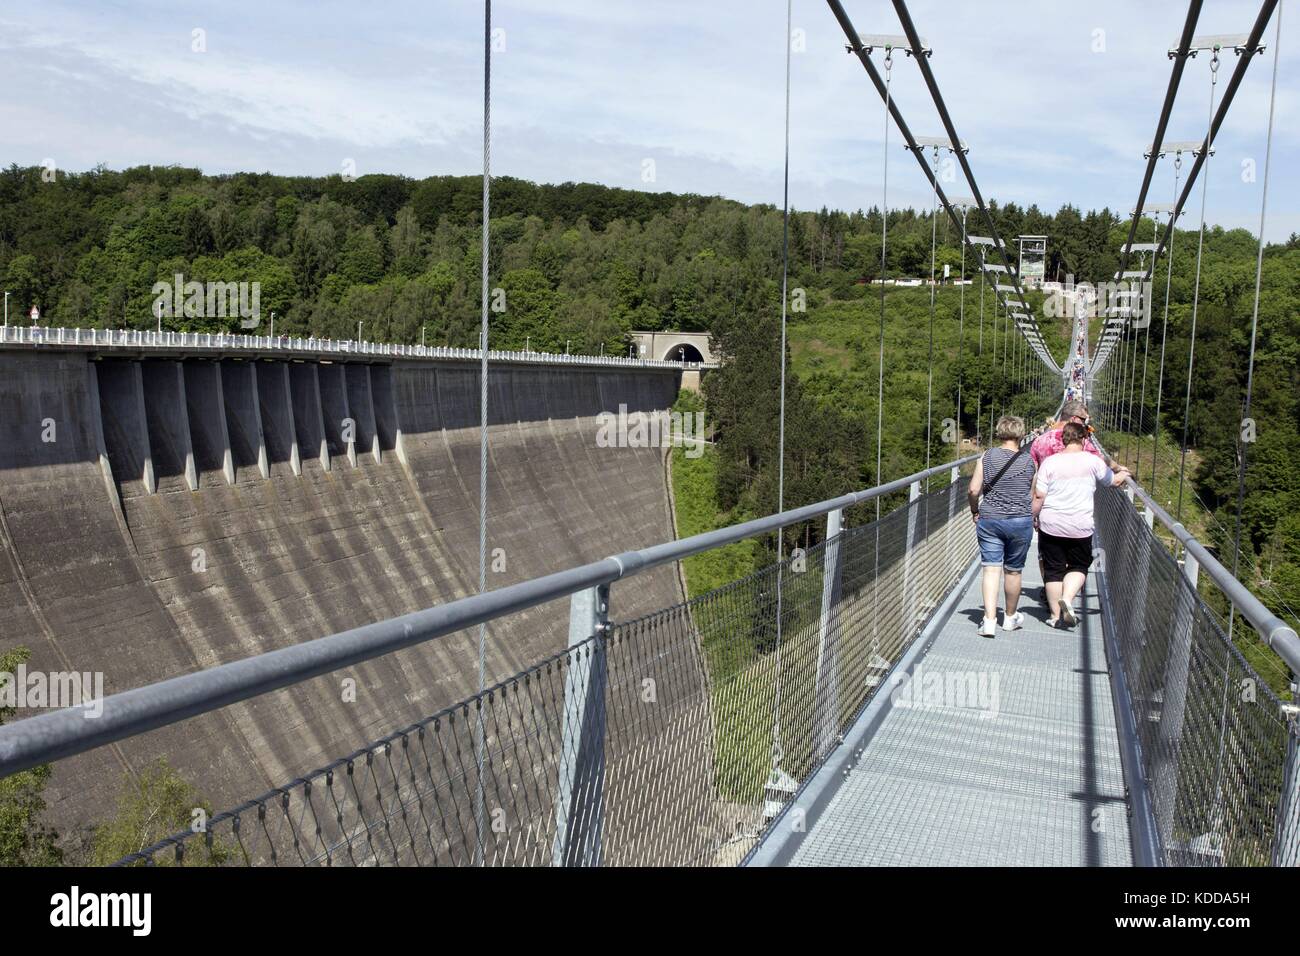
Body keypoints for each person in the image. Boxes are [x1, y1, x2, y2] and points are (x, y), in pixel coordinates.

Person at [1032, 422, 1127, 627]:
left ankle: (1055, 617)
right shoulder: (1093, 461)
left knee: (1053, 569)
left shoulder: (1050, 462)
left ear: (1063, 439)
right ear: (1084, 439)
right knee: (1078, 566)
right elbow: (1113, 481)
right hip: (1080, 525)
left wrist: (1033, 516)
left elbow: (1039, 495)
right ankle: (1067, 598)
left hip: (1051, 524)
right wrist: (1124, 474)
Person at [967, 415, 1035, 638]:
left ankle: (988, 621)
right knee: (1013, 571)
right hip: (1020, 521)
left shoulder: (986, 456)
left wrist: (975, 511)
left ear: (999, 433)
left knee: (991, 568)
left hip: (990, 520)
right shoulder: (1030, 461)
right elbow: (1032, 494)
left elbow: (973, 490)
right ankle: (1010, 618)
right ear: (1022, 435)